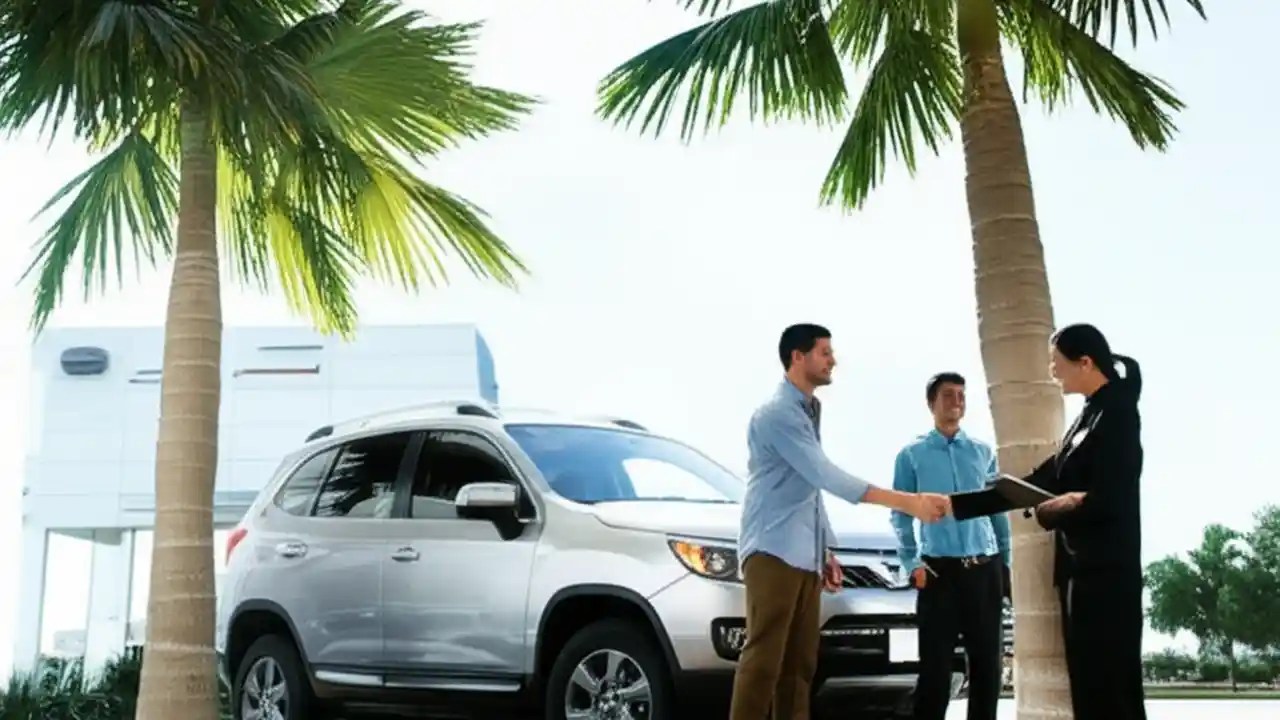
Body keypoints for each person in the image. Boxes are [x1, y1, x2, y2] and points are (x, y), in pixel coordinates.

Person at [730, 323, 952, 720]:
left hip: (803, 554)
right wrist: (909, 502)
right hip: (772, 549)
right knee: (764, 661)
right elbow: (825, 475)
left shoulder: (808, 409)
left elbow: (807, 488)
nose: (833, 360)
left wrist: (826, 549)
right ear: (798, 357)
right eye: (825, 352)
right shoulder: (777, 413)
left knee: (799, 667)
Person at [949, 323, 1146, 720]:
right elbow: (1045, 478)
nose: (1053, 371)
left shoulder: (1119, 412)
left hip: (1108, 577)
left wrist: (1055, 509)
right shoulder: (1089, 414)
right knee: (1089, 689)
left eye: (1057, 362)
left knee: (1113, 692)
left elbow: (1110, 497)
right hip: (1079, 573)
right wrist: (956, 507)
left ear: (1085, 362)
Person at [891, 372, 1009, 720]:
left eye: (961, 395)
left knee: (988, 668)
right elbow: (900, 516)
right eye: (948, 395)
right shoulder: (911, 455)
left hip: (984, 569)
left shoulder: (983, 452)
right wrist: (911, 562)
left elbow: (996, 509)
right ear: (932, 403)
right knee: (935, 671)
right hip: (937, 572)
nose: (956, 401)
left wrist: (1005, 562)